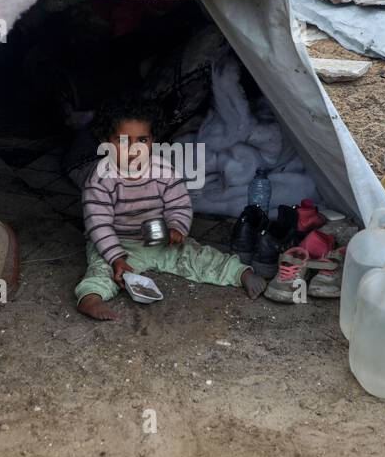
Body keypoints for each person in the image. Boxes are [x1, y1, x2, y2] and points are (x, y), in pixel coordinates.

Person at [75, 98, 267, 321]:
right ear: (105, 142)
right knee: (103, 271)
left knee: (197, 255)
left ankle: (240, 272)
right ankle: (90, 297)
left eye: (142, 140)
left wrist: (176, 227)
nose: (134, 150)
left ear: (153, 140)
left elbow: (179, 203)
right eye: (123, 141)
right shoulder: (100, 179)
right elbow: (99, 225)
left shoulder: (162, 168)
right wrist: (116, 257)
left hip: (158, 239)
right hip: (117, 244)